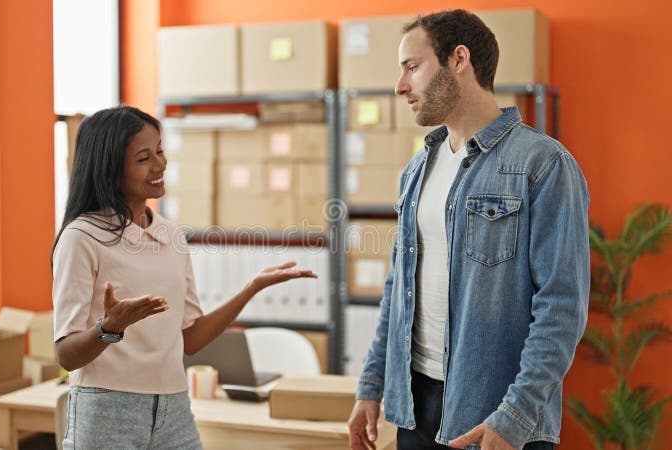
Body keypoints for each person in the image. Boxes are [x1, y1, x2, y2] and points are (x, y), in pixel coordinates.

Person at [347, 9, 590, 450]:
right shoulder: (416, 171)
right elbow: (397, 287)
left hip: (495, 415)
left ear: (459, 59)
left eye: (412, 67)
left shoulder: (544, 165)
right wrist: (371, 385)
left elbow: (561, 309)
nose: (401, 86)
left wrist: (514, 417)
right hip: (415, 407)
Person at [51, 105, 317, 449]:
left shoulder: (172, 236)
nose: (160, 164)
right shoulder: (82, 238)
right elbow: (67, 355)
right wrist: (110, 328)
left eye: (160, 151)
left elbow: (190, 338)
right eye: (144, 158)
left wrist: (251, 288)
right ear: (110, 168)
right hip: (106, 407)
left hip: (173, 407)